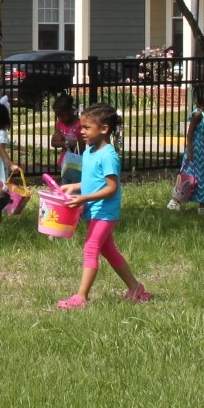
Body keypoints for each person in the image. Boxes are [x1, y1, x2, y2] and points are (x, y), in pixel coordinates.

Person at [55, 103, 150, 309]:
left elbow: (111, 188)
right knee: (109, 251)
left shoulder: (109, 156)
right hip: (94, 209)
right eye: (82, 127)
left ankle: (81, 297)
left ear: (104, 129)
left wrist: (83, 198)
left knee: (90, 248)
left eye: (87, 128)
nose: (82, 131)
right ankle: (136, 289)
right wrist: (74, 186)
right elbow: (93, 181)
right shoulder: (89, 152)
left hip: (105, 211)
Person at [172, 83, 204, 212]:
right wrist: (190, 152)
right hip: (196, 152)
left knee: (203, 177)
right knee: (189, 177)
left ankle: (203, 205)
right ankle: (175, 201)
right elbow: (189, 134)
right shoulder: (197, 115)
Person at [49, 92, 83, 183]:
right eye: (58, 115)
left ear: (71, 110)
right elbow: (54, 143)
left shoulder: (80, 124)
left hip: (78, 163)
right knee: (65, 186)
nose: (60, 118)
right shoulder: (59, 124)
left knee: (76, 188)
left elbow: (82, 145)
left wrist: (72, 143)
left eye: (62, 115)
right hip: (64, 161)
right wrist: (66, 143)